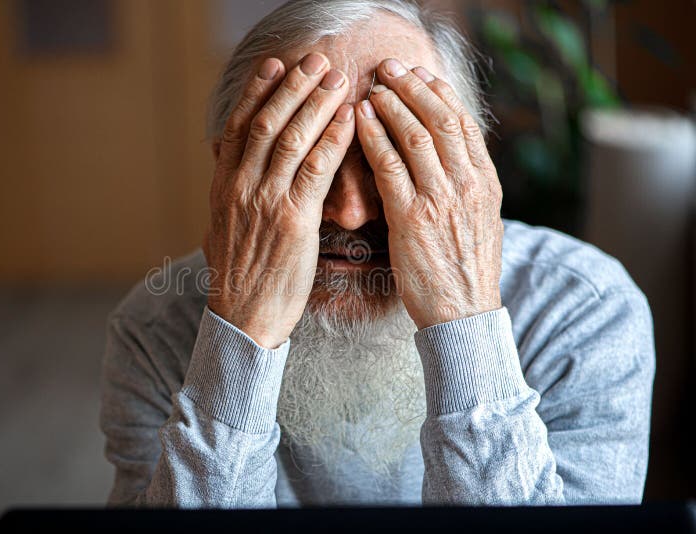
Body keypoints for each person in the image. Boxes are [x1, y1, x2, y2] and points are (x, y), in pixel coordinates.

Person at [99, 0, 654, 507]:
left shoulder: (585, 310)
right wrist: (243, 329)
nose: (349, 212)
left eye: (393, 155)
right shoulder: (154, 331)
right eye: (307, 158)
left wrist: (463, 317)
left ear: (467, 170)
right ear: (229, 176)